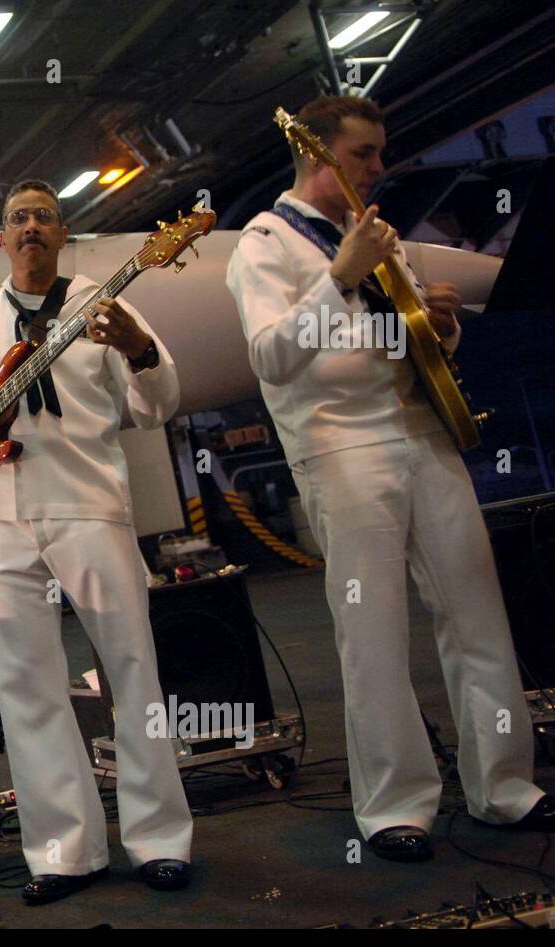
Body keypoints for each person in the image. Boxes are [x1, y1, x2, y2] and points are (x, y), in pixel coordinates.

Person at [225, 94, 553, 862]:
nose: (380, 167)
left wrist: (440, 323)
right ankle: (393, 806)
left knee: (477, 614)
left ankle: (505, 786)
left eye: (379, 153)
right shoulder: (263, 244)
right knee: (371, 633)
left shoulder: (373, 236)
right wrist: (337, 278)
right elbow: (271, 357)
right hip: (339, 446)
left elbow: (407, 341)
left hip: (421, 434)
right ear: (319, 154)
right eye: (366, 154)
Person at [0, 179, 194, 904]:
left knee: (133, 670)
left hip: (89, 506)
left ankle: (160, 839)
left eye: (43, 215)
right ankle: (64, 852)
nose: (30, 226)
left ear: (62, 232)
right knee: (27, 687)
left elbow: (159, 404)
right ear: (2, 238)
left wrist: (137, 347)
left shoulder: (102, 304)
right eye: (17, 218)